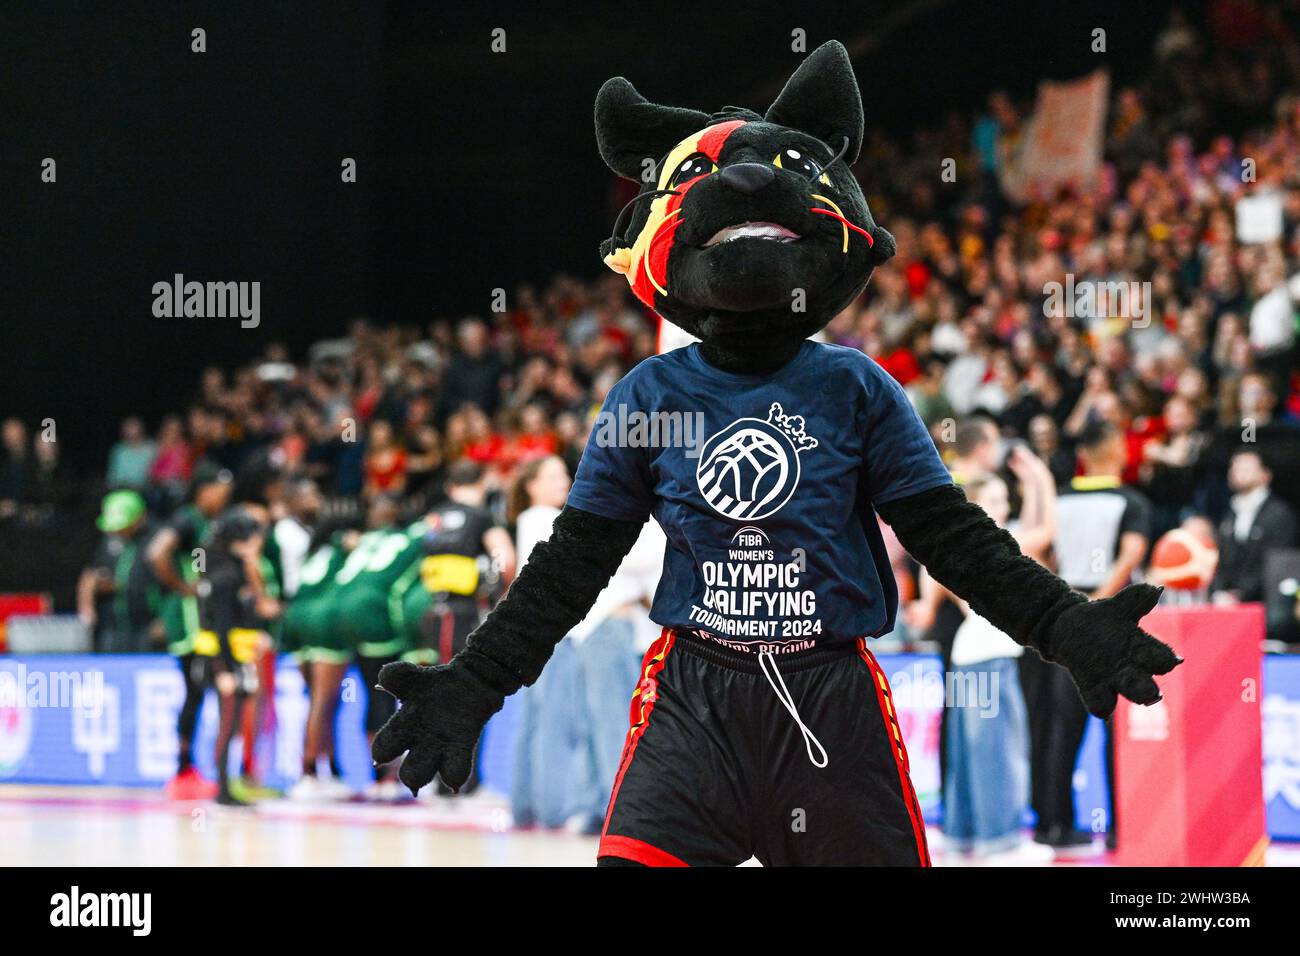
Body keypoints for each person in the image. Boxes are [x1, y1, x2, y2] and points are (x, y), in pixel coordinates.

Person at [373, 44, 1178, 867]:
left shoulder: (857, 389)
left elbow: (951, 538)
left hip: (831, 698)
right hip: (693, 701)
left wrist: (1060, 622)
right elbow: (572, 564)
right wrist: (477, 679)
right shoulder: (649, 398)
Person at [1030, 420, 1153, 853]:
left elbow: (1039, 552)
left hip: (1065, 617)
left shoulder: (1060, 499)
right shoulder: (1130, 501)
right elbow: (1132, 554)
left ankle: (1056, 825)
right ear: (1116, 447)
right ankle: (1121, 827)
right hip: (1110, 621)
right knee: (1115, 729)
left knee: (1062, 726)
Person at [147, 461, 233, 800]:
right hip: (189, 621)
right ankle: (183, 769)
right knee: (195, 690)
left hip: (201, 620)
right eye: (220, 493)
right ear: (204, 490)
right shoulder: (186, 520)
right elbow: (157, 553)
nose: (223, 500)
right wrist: (183, 587)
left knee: (199, 691)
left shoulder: (208, 522)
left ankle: (193, 767)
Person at [197, 509, 272, 806]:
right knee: (228, 724)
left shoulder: (235, 570)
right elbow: (219, 627)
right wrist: (223, 670)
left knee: (234, 723)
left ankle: (231, 785)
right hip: (224, 661)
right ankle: (223, 789)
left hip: (235, 658)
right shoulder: (225, 577)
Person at [1211, 449, 1298, 609]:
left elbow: (1277, 565)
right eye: (1235, 468)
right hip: (1229, 602)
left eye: (1246, 468)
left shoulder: (1280, 514)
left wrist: (1241, 594)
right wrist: (1219, 591)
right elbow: (1222, 559)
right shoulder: (1230, 512)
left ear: (1265, 475)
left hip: (1267, 601)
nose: (1237, 473)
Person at [78, 490, 158, 653]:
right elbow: (90, 574)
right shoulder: (108, 541)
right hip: (111, 626)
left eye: (122, 526)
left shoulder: (158, 538)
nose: (117, 531)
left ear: (139, 518)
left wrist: (165, 619)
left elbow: (198, 553)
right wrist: (86, 606)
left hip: (146, 625)